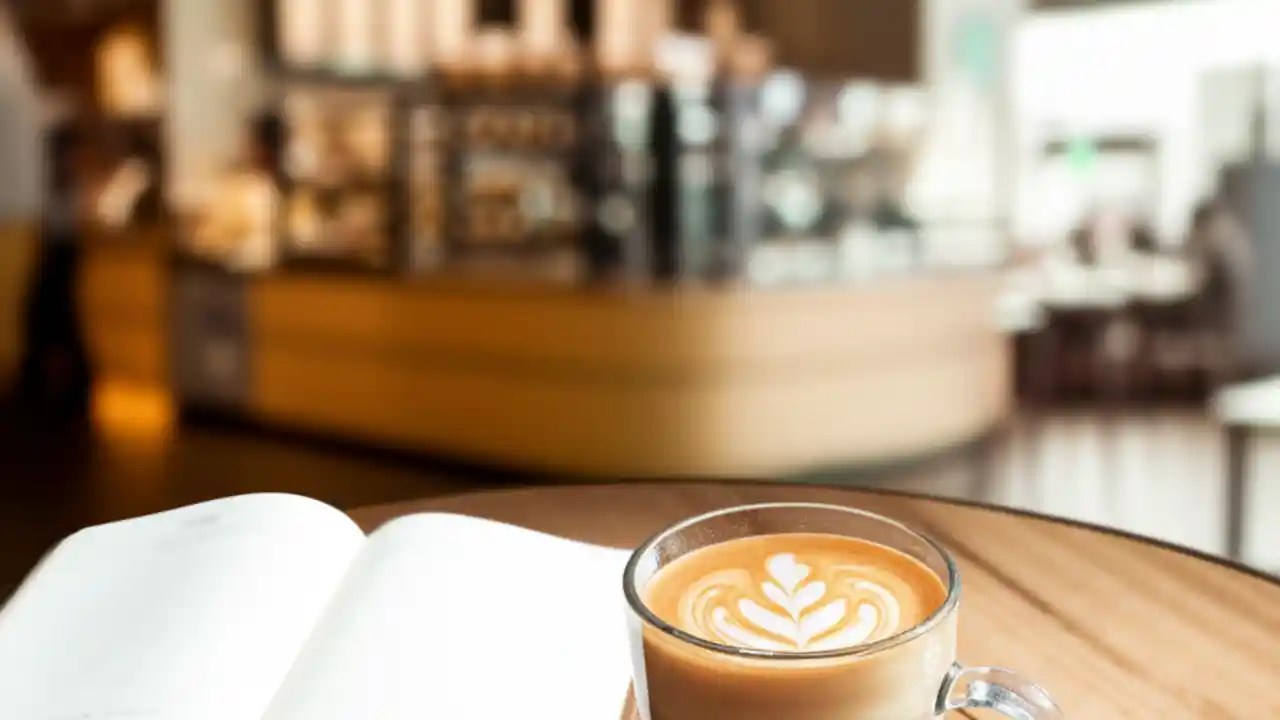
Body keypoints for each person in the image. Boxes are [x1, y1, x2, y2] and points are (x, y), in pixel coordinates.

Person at [17, 124, 93, 419]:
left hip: (60, 262)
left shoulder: (65, 185)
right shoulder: (57, 185)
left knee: (56, 329)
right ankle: (56, 394)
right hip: (54, 262)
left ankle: (64, 395)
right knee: (53, 329)